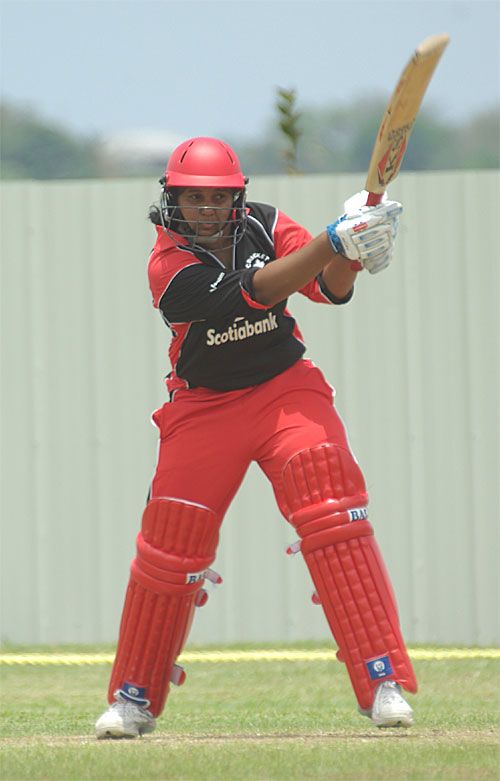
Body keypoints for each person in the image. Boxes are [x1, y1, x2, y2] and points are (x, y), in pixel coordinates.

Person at [95, 137, 417, 739]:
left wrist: (354, 250)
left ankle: (382, 680)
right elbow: (263, 290)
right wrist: (335, 237)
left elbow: (328, 288)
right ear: (173, 200)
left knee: (332, 510)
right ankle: (133, 697)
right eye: (194, 198)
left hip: (283, 388)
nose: (206, 210)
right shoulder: (167, 265)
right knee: (170, 546)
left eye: (217, 199)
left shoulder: (266, 223)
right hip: (203, 406)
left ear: (237, 198)